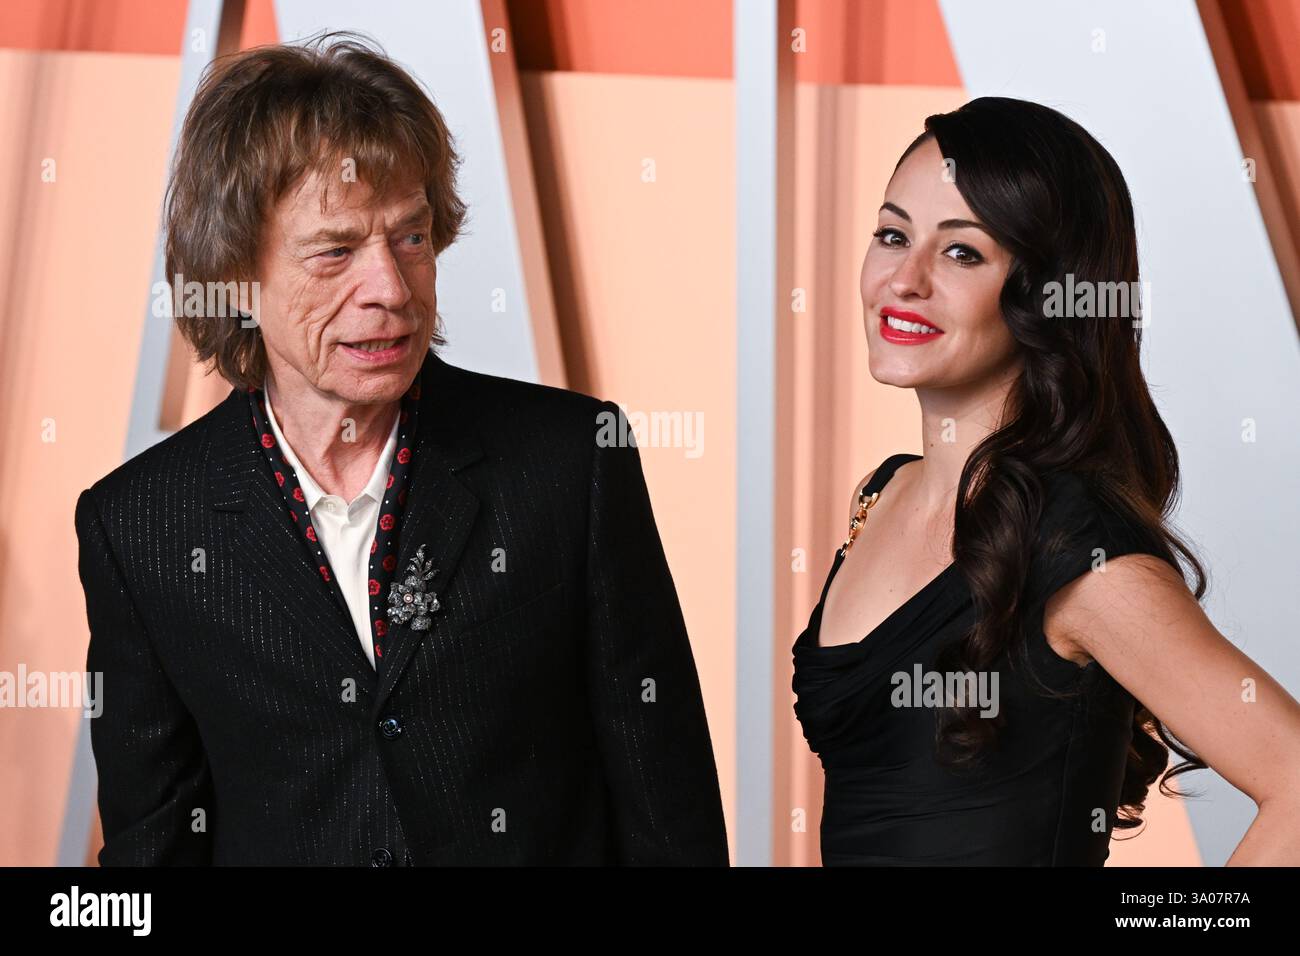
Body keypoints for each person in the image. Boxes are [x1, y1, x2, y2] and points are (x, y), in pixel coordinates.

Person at [75, 32, 728, 866]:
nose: (389, 288)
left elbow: (668, 809)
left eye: (411, 238)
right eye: (336, 251)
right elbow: (150, 848)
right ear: (237, 274)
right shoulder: (140, 525)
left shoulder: (571, 461)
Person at [792, 96, 1300, 866]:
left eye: (963, 253)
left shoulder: (1081, 549)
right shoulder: (884, 493)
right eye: (893, 235)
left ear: (1044, 293)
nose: (905, 279)